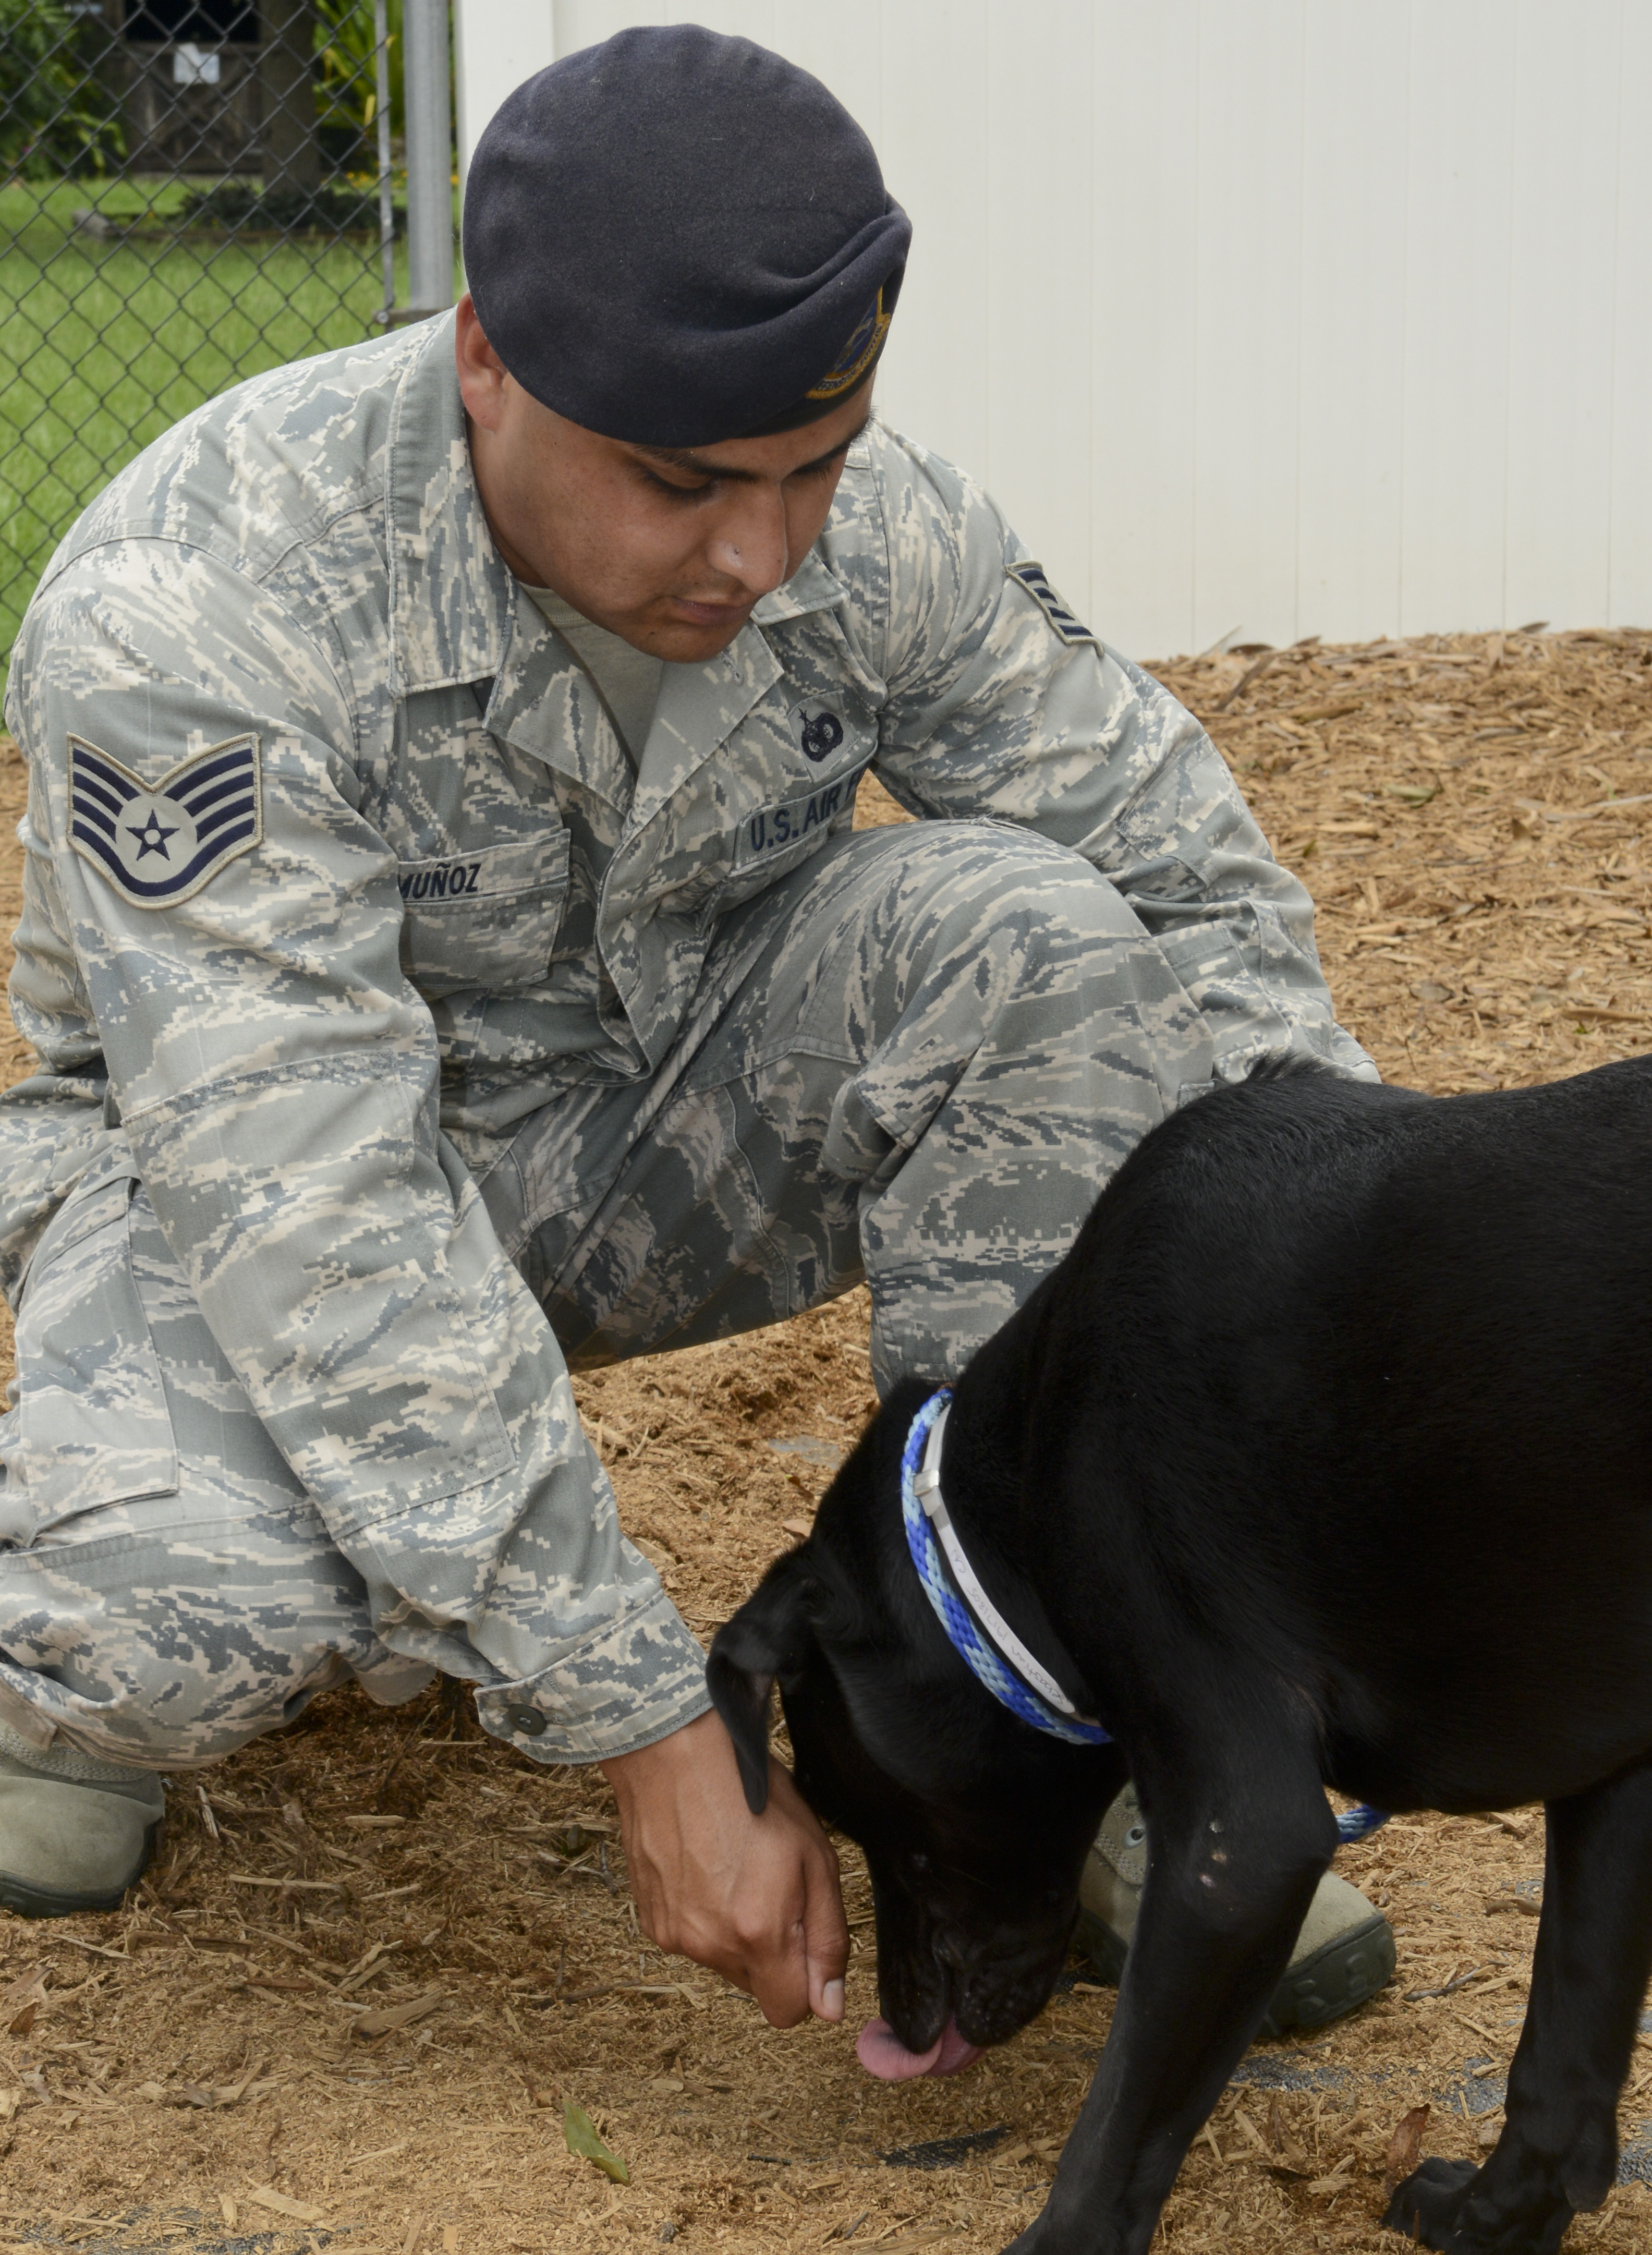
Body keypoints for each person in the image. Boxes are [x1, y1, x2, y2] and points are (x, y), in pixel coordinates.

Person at [0, 25, 1389, 2033]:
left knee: (1043, 944)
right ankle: (76, 1656)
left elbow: (1200, 899)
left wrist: (1377, 1353)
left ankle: (1061, 1672)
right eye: (679, 484)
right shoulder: (198, 601)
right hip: (226, 1194)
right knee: (180, 1612)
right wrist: (648, 1712)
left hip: (639, 1128)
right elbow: (317, 1217)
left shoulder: (880, 527)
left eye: (812, 469)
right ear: (487, 356)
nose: (760, 556)